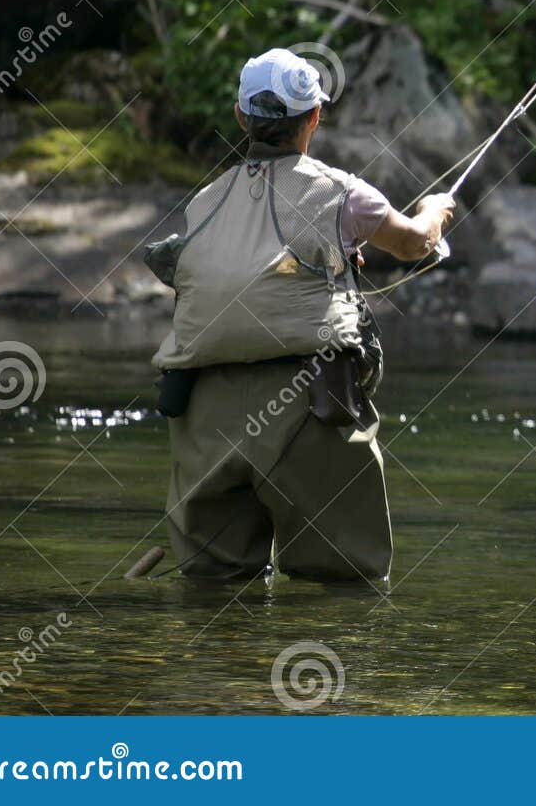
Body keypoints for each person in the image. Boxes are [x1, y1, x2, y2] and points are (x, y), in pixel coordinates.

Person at [147, 48, 454, 582]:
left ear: (242, 117)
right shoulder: (341, 192)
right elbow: (413, 244)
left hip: (202, 416)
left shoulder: (204, 202)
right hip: (309, 407)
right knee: (340, 587)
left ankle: (207, 667)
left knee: (212, 590)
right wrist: (438, 209)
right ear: (313, 117)